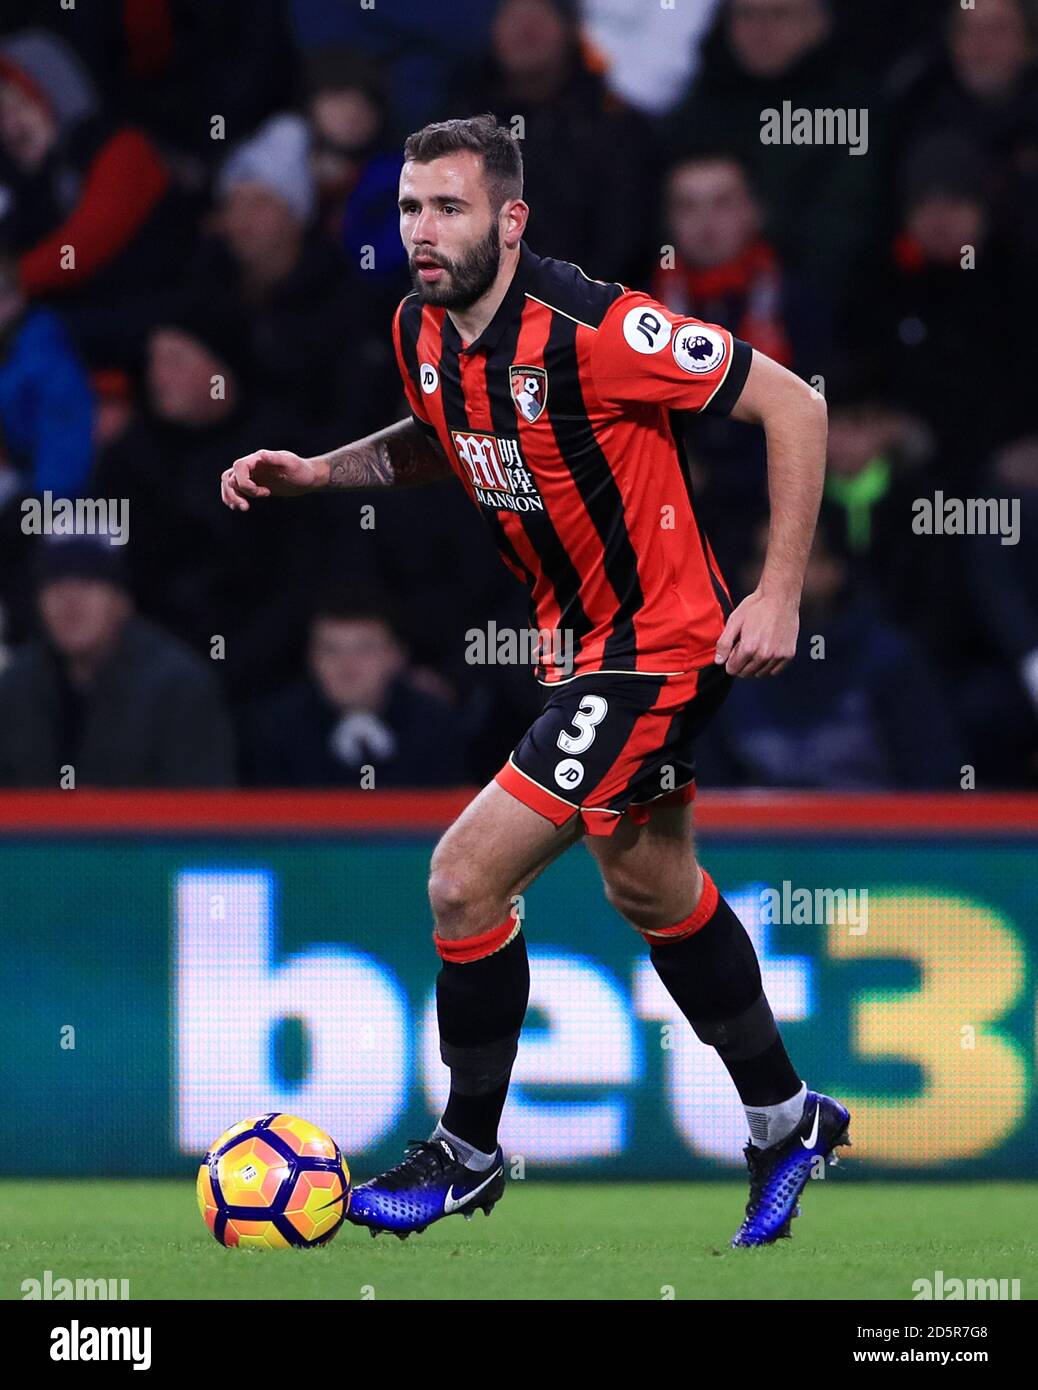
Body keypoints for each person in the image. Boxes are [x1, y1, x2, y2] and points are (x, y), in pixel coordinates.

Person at [221, 114, 843, 1249]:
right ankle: (788, 1118)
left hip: (662, 647)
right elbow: (441, 437)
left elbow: (793, 402)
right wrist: (320, 472)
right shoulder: (419, 329)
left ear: (509, 219)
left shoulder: (598, 327)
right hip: (582, 650)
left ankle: (464, 1152)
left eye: (449, 206)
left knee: (464, 880)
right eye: (410, 207)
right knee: (652, 891)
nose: (423, 228)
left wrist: (781, 592)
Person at [0, 535, 235, 787]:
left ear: (122, 602)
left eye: (88, 582)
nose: (70, 600)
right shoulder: (15, 687)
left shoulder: (178, 688)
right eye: (55, 585)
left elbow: (205, 809)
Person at [246, 592, 471, 788]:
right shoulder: (277, 729)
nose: (347, 664)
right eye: (331, 650)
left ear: (396, 656)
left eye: (365, 648)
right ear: (311, 659)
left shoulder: (436, 726)